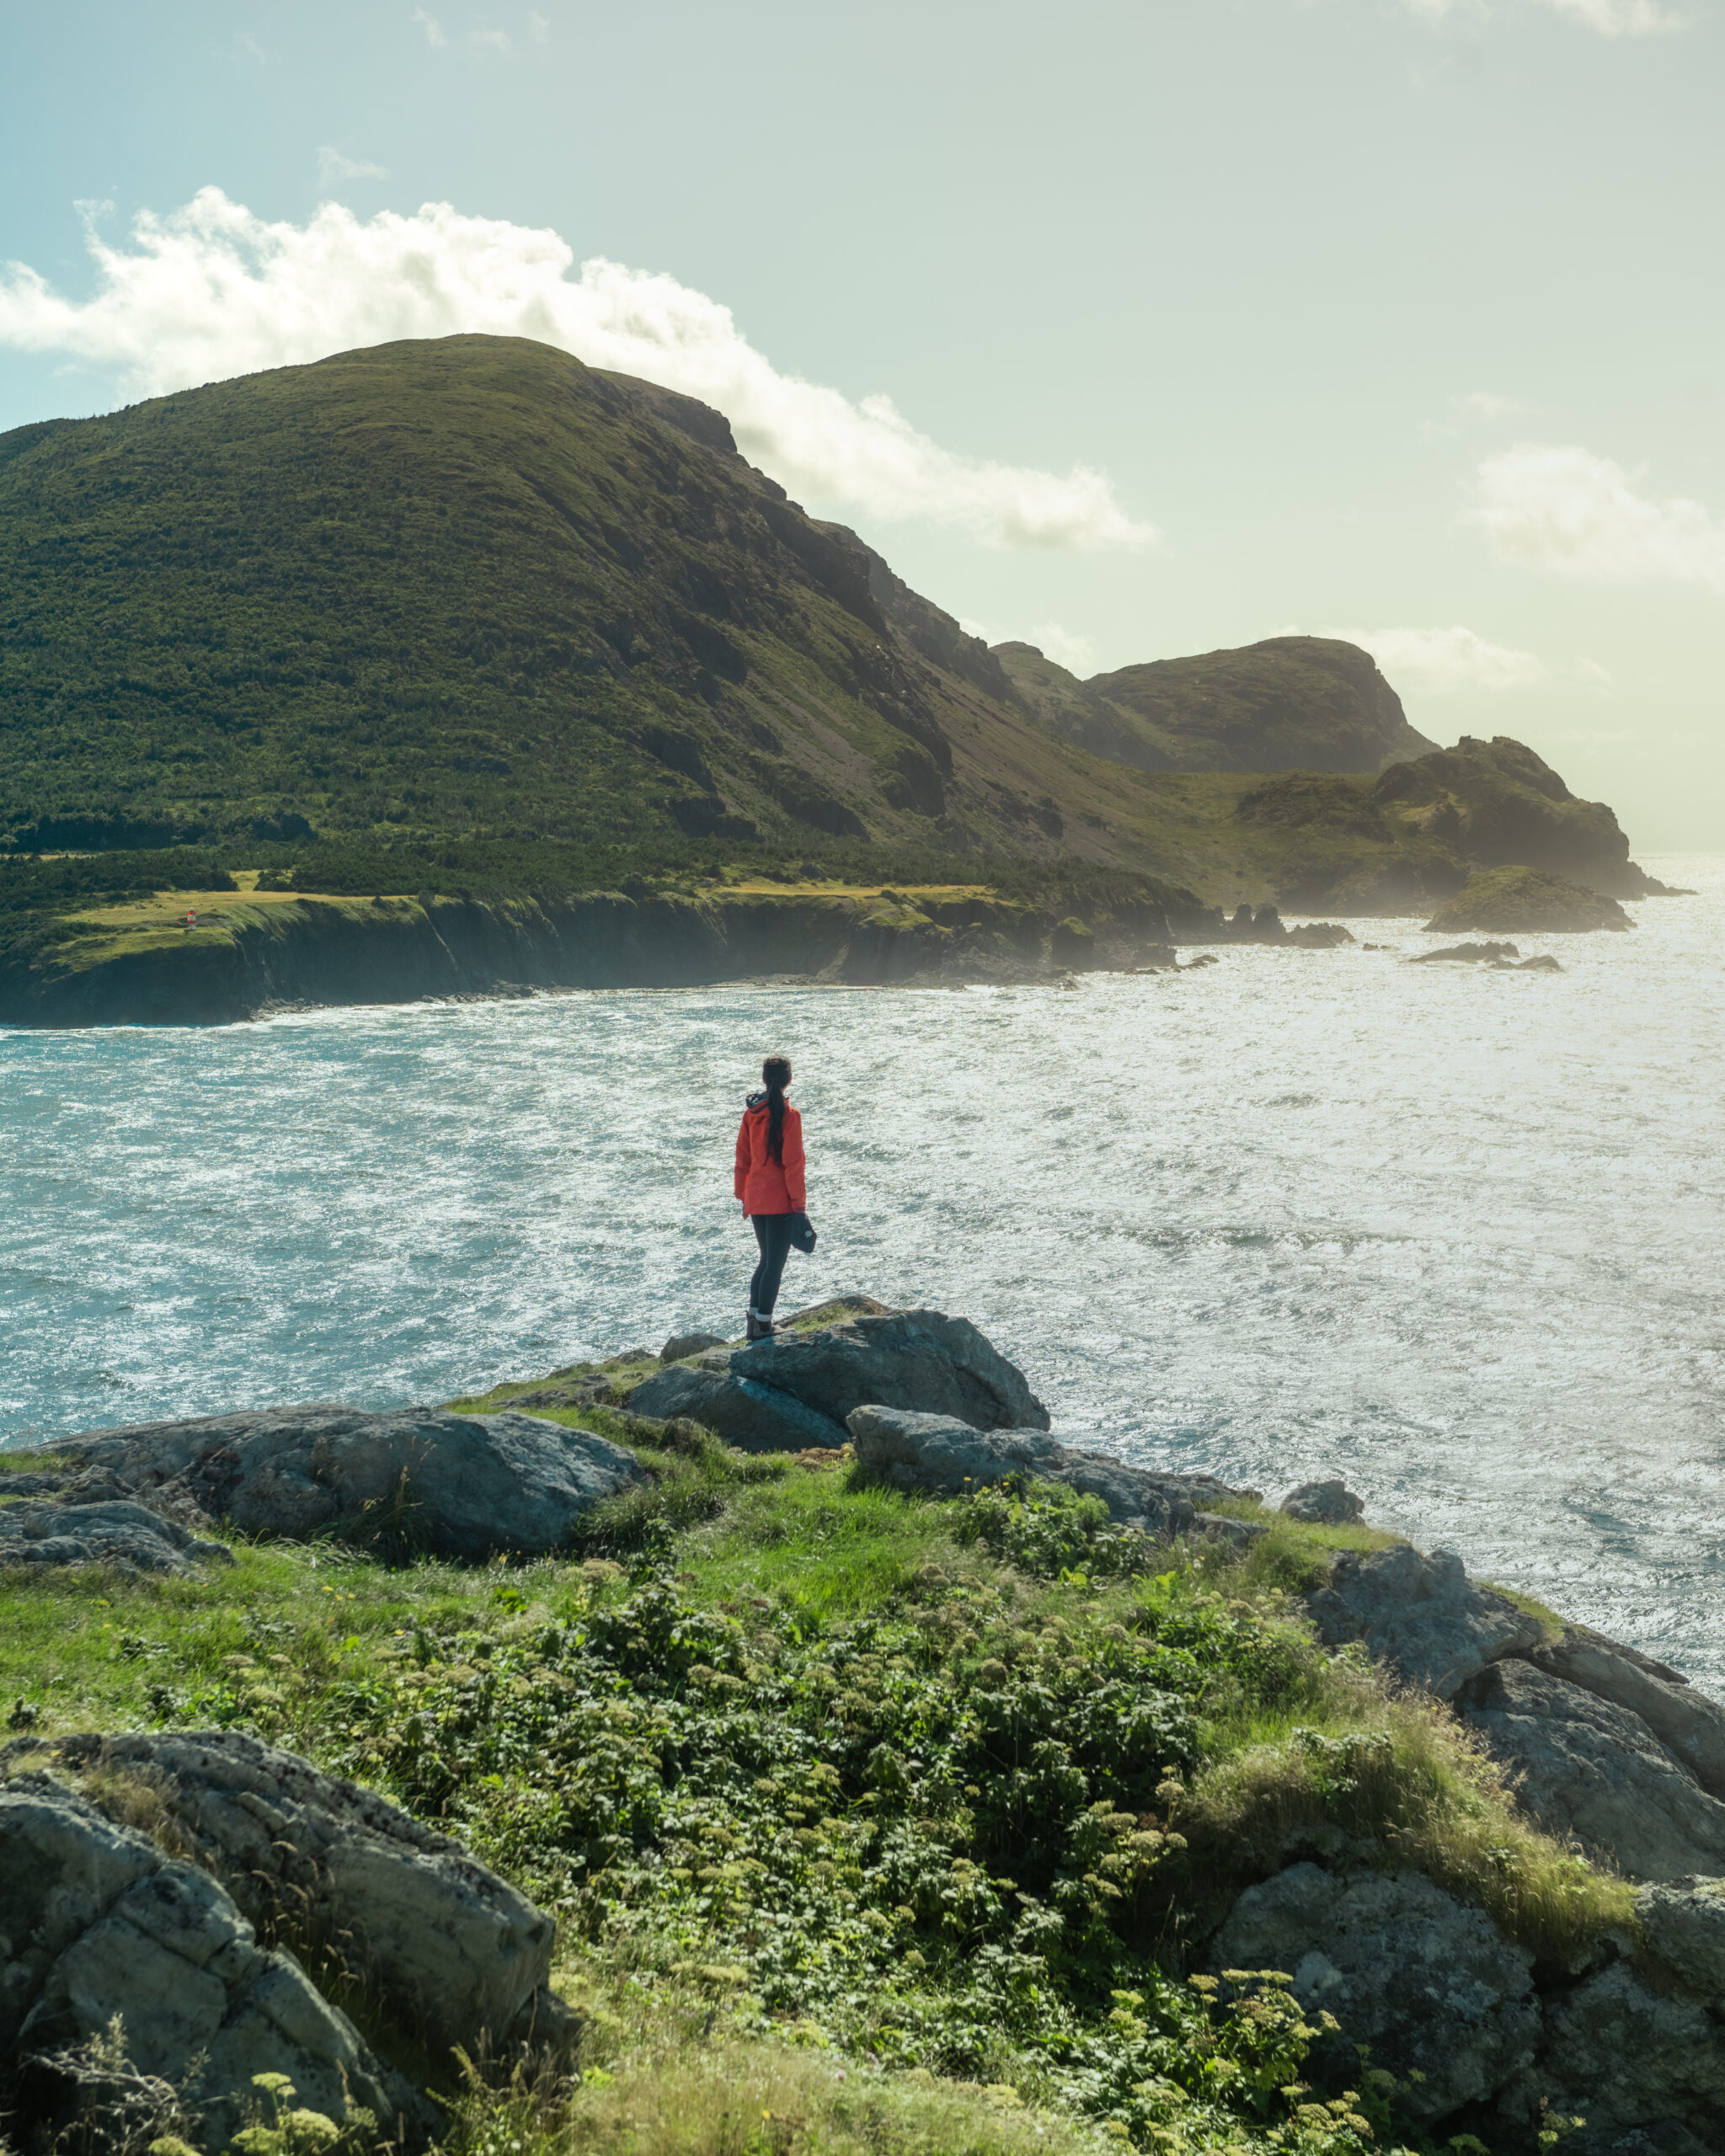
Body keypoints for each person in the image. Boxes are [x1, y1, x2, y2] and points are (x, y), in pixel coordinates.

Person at [734, 1053, 804, 1342]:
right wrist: (799, 1207)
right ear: (789, 1080)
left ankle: (753, 1322)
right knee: (774, 1264)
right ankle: (764, 1325)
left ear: (764, 1079)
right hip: (779, 1201)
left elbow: (742, 1160)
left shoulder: (751, 1114)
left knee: (765, 1262)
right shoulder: (790, 1116)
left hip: (756, 1197)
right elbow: (793, 1165)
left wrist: (744, 1196)